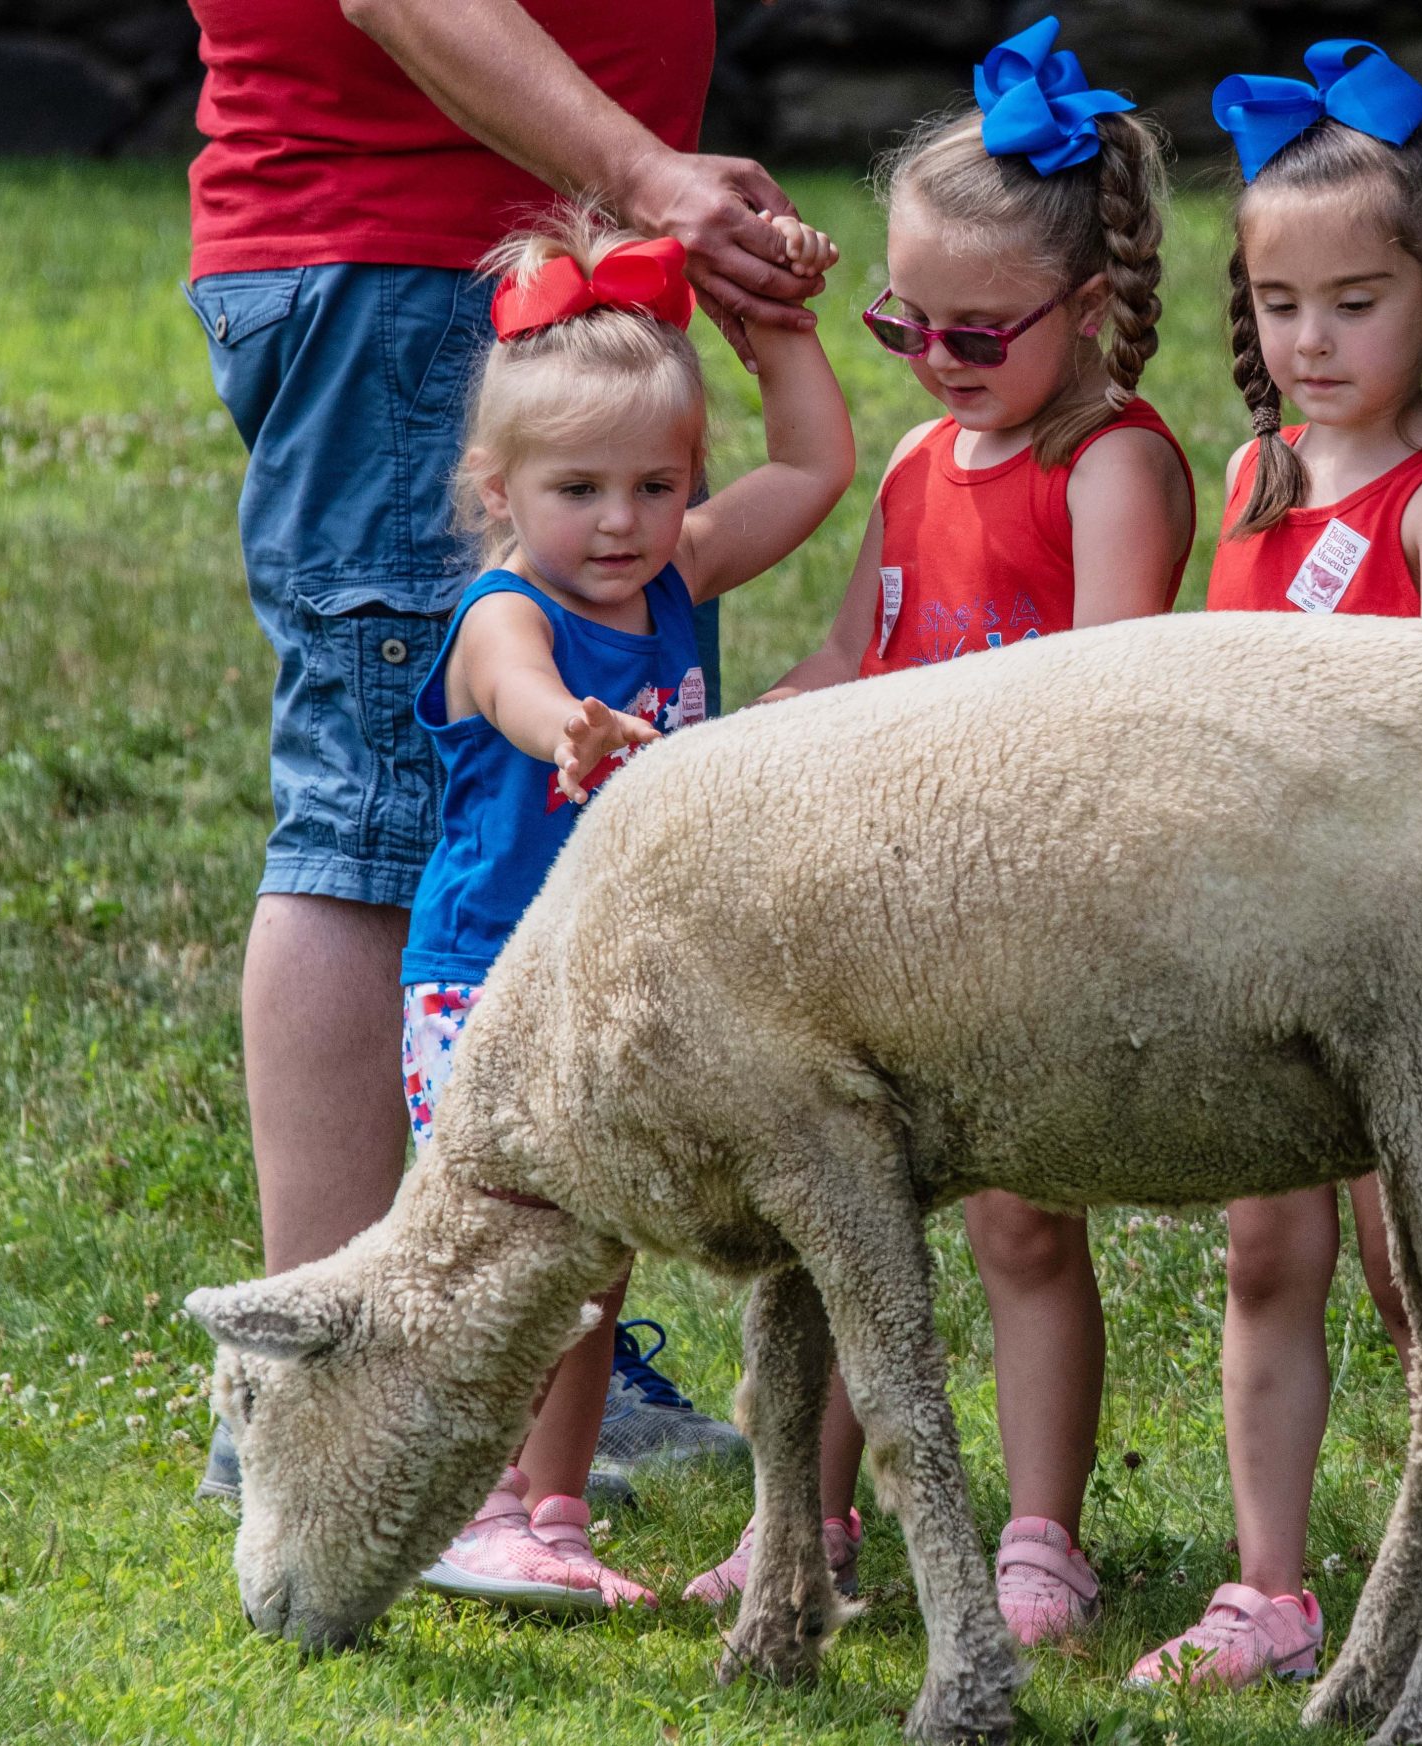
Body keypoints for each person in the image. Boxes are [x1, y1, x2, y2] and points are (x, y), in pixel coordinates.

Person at [183, 0, 813, 1501]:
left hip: (532, 248)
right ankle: (331, 1383)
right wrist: (645, 173)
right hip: (409, 250)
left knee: (532, 827)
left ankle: (520, 1351)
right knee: (386, 813)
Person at [678, 16, 1192, 1647]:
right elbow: (849, 656)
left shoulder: (1113, 465)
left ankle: (1040, 1533)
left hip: (1022, 902)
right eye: (907, 321)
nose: (940, 358)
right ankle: (806, 1524)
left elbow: (1102, 703)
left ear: (1090, 310)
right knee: (839, 1224)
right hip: (881, 909)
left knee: (1027, 1221)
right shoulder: (912, 458)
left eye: (981, 331)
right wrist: (745, 746)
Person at [1124, 41, 1422, 1691]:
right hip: (1261, 936)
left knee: (1410, 1261)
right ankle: (1271, 1586)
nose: (1312, 340)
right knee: (1265, 1247)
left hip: (1406, 934)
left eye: (1354, 303)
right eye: (1281, 304)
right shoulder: (1249, 478)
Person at [403, 204, 853, 1607]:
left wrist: (777, 331)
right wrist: (568, 734)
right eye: (581, 490)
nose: (623, 522)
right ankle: (470, 1497)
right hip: (486, 986)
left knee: (592, 1259)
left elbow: (815, 466)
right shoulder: (505, 613)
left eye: (657, 486)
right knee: (509, 1257)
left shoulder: (674, 576)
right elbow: (525, 693)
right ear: (499, 492)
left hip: (614, 984)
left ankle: (549, 1511)